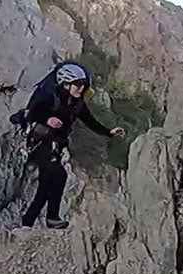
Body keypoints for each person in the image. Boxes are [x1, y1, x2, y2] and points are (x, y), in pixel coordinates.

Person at [11, 62, 125, 228]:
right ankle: (52, 218)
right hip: (40, 144)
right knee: (60, 175)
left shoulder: (76, 103)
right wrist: (46, 119)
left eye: (83, 85)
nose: (81, 88)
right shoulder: (49, 96)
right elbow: (29, 113)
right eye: (77, 84)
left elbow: (89, 120)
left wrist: (108, 132)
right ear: (66, 83)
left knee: (45, 186)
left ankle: (27, 222)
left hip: (56, 145)